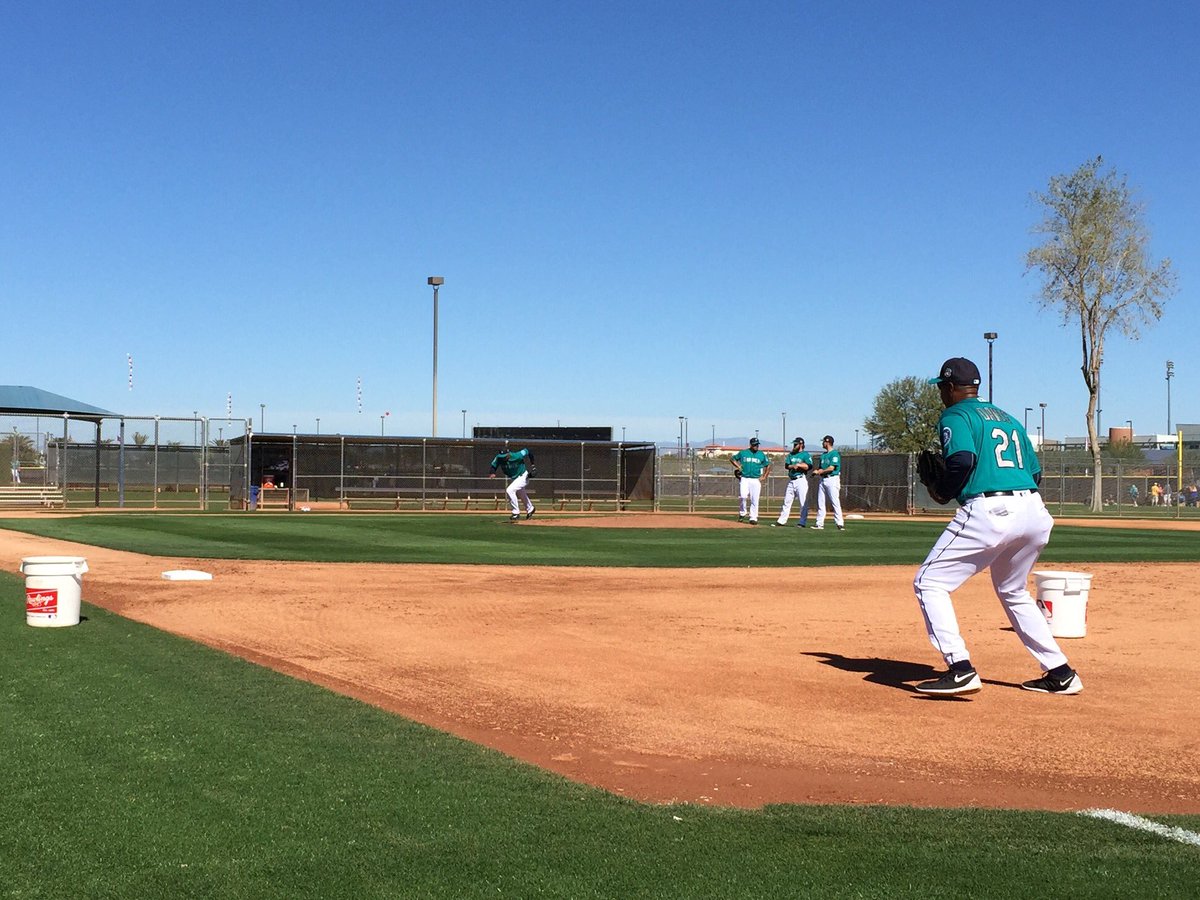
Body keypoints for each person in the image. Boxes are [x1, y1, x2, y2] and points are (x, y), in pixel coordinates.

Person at [913, 356, 1082, 696]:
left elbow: (962, 460)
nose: (941, 394)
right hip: (1033, 509)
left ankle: (960, 668)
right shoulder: (1008, 418)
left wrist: (942, 491)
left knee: (929, 582)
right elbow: (1035, 473)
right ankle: (1061, 672)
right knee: (1013, 591)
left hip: (991, 510)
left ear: (950, 387)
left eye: (942, 388)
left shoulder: (956, 415)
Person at [772, 437, 813, 527]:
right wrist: (793, 466)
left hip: (801, 479)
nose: (794, 446)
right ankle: (781, 521)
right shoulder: (791, 454)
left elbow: (809, 466)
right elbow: (787, 465)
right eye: (794, 444)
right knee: (787, 501)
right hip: (792, 480)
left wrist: (799, 465)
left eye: (796, 444)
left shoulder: (805, 454)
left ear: (801, 445)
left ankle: (802, 522)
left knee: (803, 502)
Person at [731, 437, 771, 524]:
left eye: (757, 445)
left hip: (755, 479)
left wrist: (764, 476)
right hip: (744, 478)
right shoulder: (743, 453)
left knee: (755, 499)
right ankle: (742, 512)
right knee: (743, 496)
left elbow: (768, 465)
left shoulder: (761, 454)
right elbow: (732, 459)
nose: (756, 446)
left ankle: (753, 518)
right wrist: (738, 466)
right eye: (754, 445)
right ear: (750, 445)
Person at [489, 447, 536, 521]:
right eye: (502, 456)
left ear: (508, 454)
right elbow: (493, 465)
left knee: (510, 490)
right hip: (514, 478)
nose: (503, 458)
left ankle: (516, 512)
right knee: (521, 494)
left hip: (523, 476)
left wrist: (533, 466)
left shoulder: (517, 455)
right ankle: (530, 509)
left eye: (505, 456)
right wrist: (492, 472)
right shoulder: (499, 458)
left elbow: (528, 450)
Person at [812, 435, 844, 530]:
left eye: (823, 442)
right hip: (823, 479)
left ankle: (839, 523)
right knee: (821, 502)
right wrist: (817, 471)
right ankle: (819, 523)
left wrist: (820, 471)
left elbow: (831, 468)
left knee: (835, 501)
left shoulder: (834, 454)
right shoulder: (823, 455)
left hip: (832, 479)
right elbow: (821, 468)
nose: (822, 443)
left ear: (827, 442)